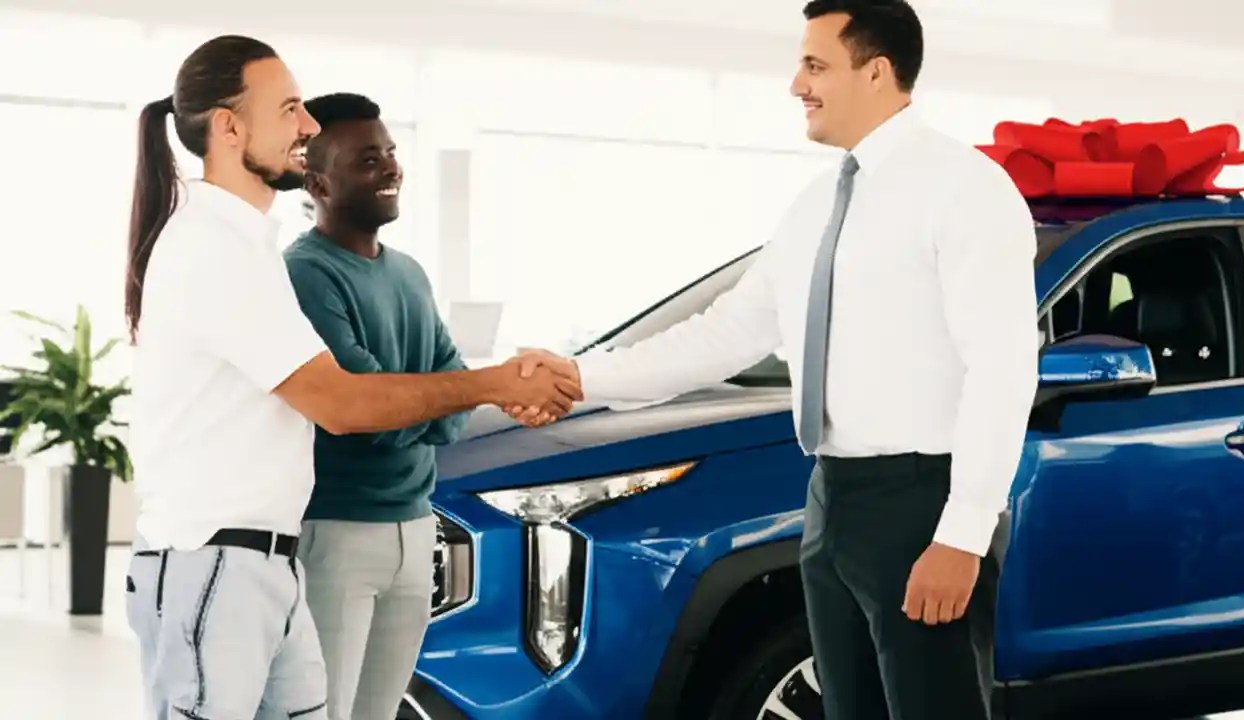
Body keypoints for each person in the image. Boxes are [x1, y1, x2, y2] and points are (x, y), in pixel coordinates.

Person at [509, 1, 1039, 718]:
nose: (797, 85)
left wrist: (962, 534)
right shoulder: (818, 203)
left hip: (924, 500)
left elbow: (1003, 369)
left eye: (816, 65)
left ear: (877, 72)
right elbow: (727, 333)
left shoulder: (966, 188)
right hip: (831, 497)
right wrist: (583, 377)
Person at [122, 36, 580, 720]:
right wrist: (496, 383)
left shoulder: (249, 245)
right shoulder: (212, 246)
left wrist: (486, 385)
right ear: (228, 126)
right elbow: (340, 401)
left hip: (267, 563)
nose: (306, 125)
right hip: (212, 563)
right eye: (288, 110)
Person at [280, 92, 459, 720]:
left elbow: (452, 391)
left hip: (416, 528)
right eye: (366, 159)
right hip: (337, 534)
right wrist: (423, 405)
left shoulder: (409, 272)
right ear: (317, 182)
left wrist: (413, 404)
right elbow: (362, 414)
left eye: (389, 152)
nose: (389, 167)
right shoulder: (304, 273)